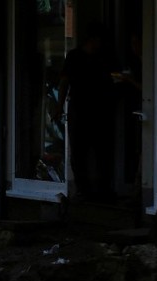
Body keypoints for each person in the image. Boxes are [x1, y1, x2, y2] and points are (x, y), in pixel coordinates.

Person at [55, 25, 114, 200]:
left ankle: (101, 188)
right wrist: (59, 105)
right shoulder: (75, 57)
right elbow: (64, 82)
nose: (101, 44)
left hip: (98, 110)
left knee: (100, 149)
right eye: (99, 41)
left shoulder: (101, 58)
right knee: (80, 150)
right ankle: (83, 189)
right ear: (93, 40)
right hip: (80, 109)